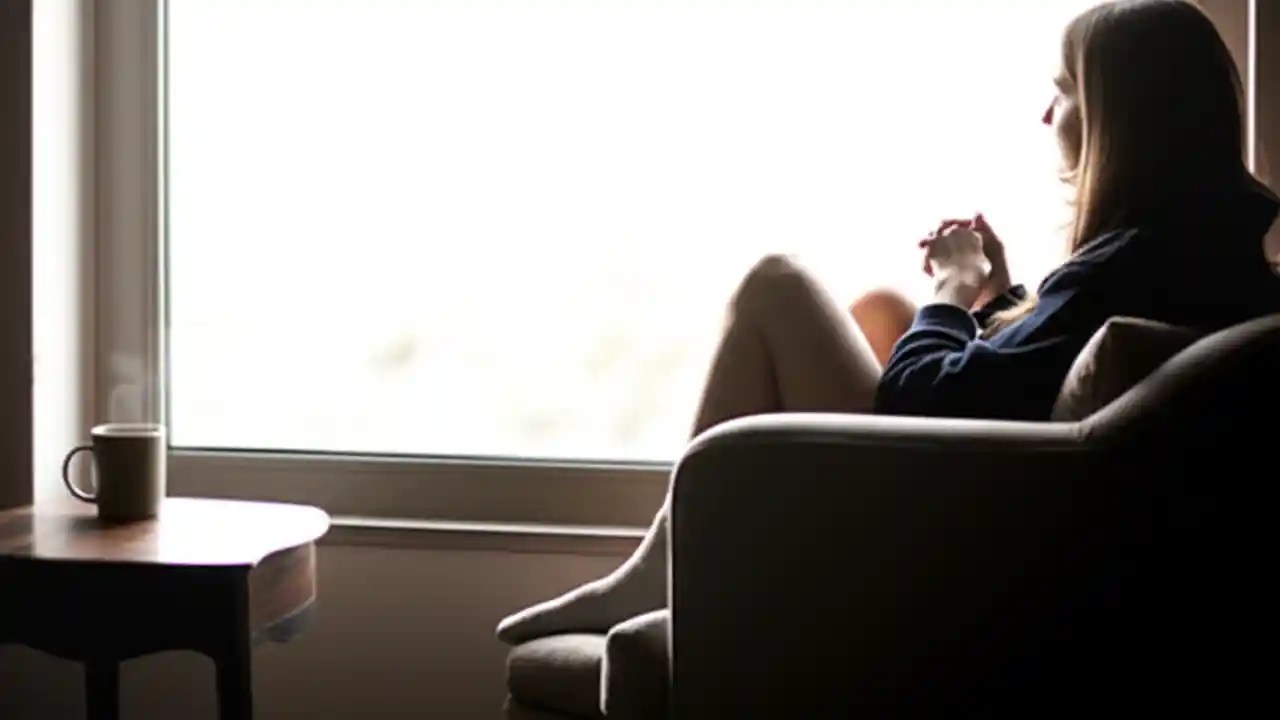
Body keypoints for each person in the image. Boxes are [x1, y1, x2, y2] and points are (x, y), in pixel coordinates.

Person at [496, 0, 1280, 645]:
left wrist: (955, 284)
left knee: (776, 286)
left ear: (1119, 114)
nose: (1047, 114)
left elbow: (921, 403)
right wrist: (1007, 306)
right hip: (997, 501)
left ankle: (662, 572)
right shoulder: (1204, 257)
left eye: (1063, 89)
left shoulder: (1129, 263)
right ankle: (686, 562)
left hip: (950, 528)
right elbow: (1031, 379)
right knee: (880, 309)